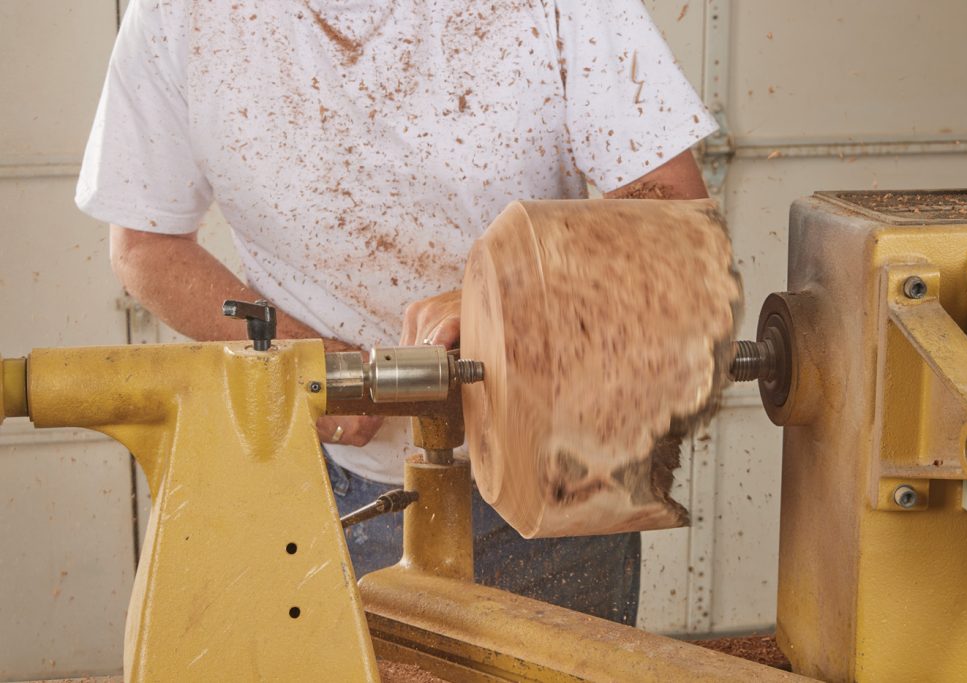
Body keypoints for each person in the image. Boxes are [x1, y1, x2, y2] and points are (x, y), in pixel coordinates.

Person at [76, 0, 717, 626]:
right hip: (328, 490)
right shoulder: (179, 15)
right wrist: (309, 361)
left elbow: (676, 220)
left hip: (560, 471)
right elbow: (144, 247)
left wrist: (510, 296)